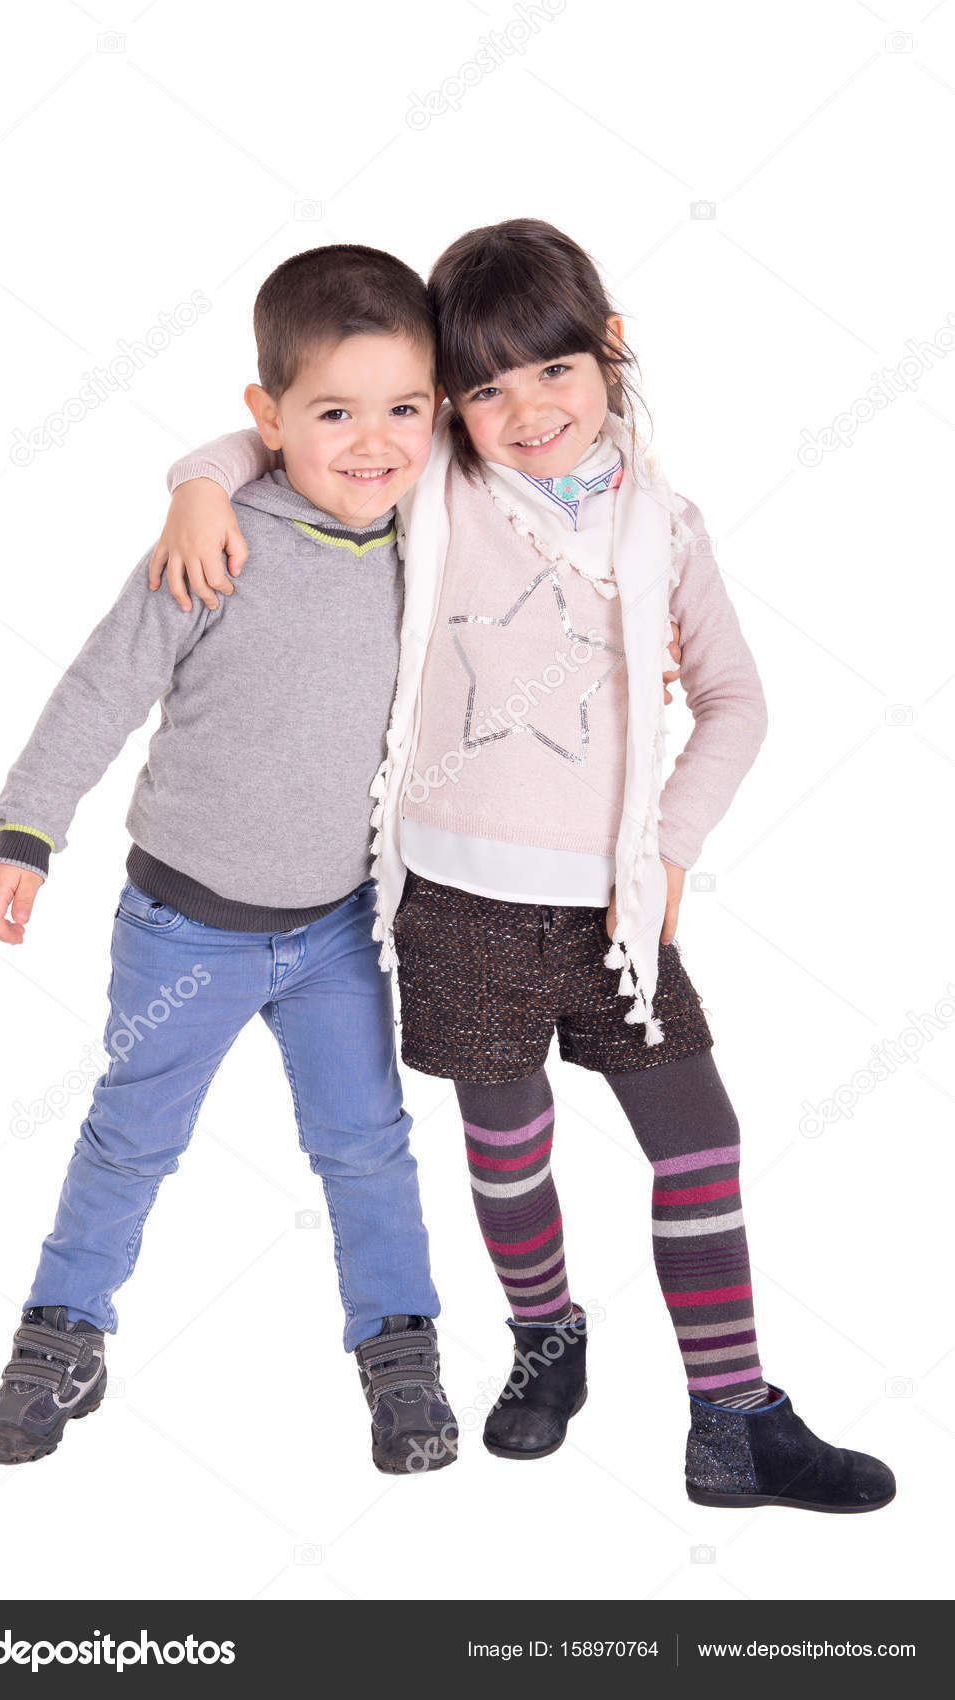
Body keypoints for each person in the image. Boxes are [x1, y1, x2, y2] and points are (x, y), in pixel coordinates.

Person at [145, 219, 896, 1513]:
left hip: (610, 916)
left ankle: (732, 1419)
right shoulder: (437, 481)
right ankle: (547, 1347)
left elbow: (734, 701)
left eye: (551, 371)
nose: (524, 409)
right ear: (452, 405)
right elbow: (299, 436)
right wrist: (198, 483)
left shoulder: (665, 524)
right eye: (483, 387)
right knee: (506, 1148)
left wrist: (666, 851)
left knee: (699, 1145)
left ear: (611, 352)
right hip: (460, 903)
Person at [0, 244, 458, 1477]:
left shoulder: (437, 530)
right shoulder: (216, 544)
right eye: (332, 412)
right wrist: (29, 828)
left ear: (440, 410)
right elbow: (99, 689)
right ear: (268, 418)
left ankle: (399, 1348)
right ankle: (59, 1333)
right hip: (184, 927)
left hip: (341, 930)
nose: (372, 441)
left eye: (404, 408)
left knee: (366, 1141)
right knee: (131, 1136)